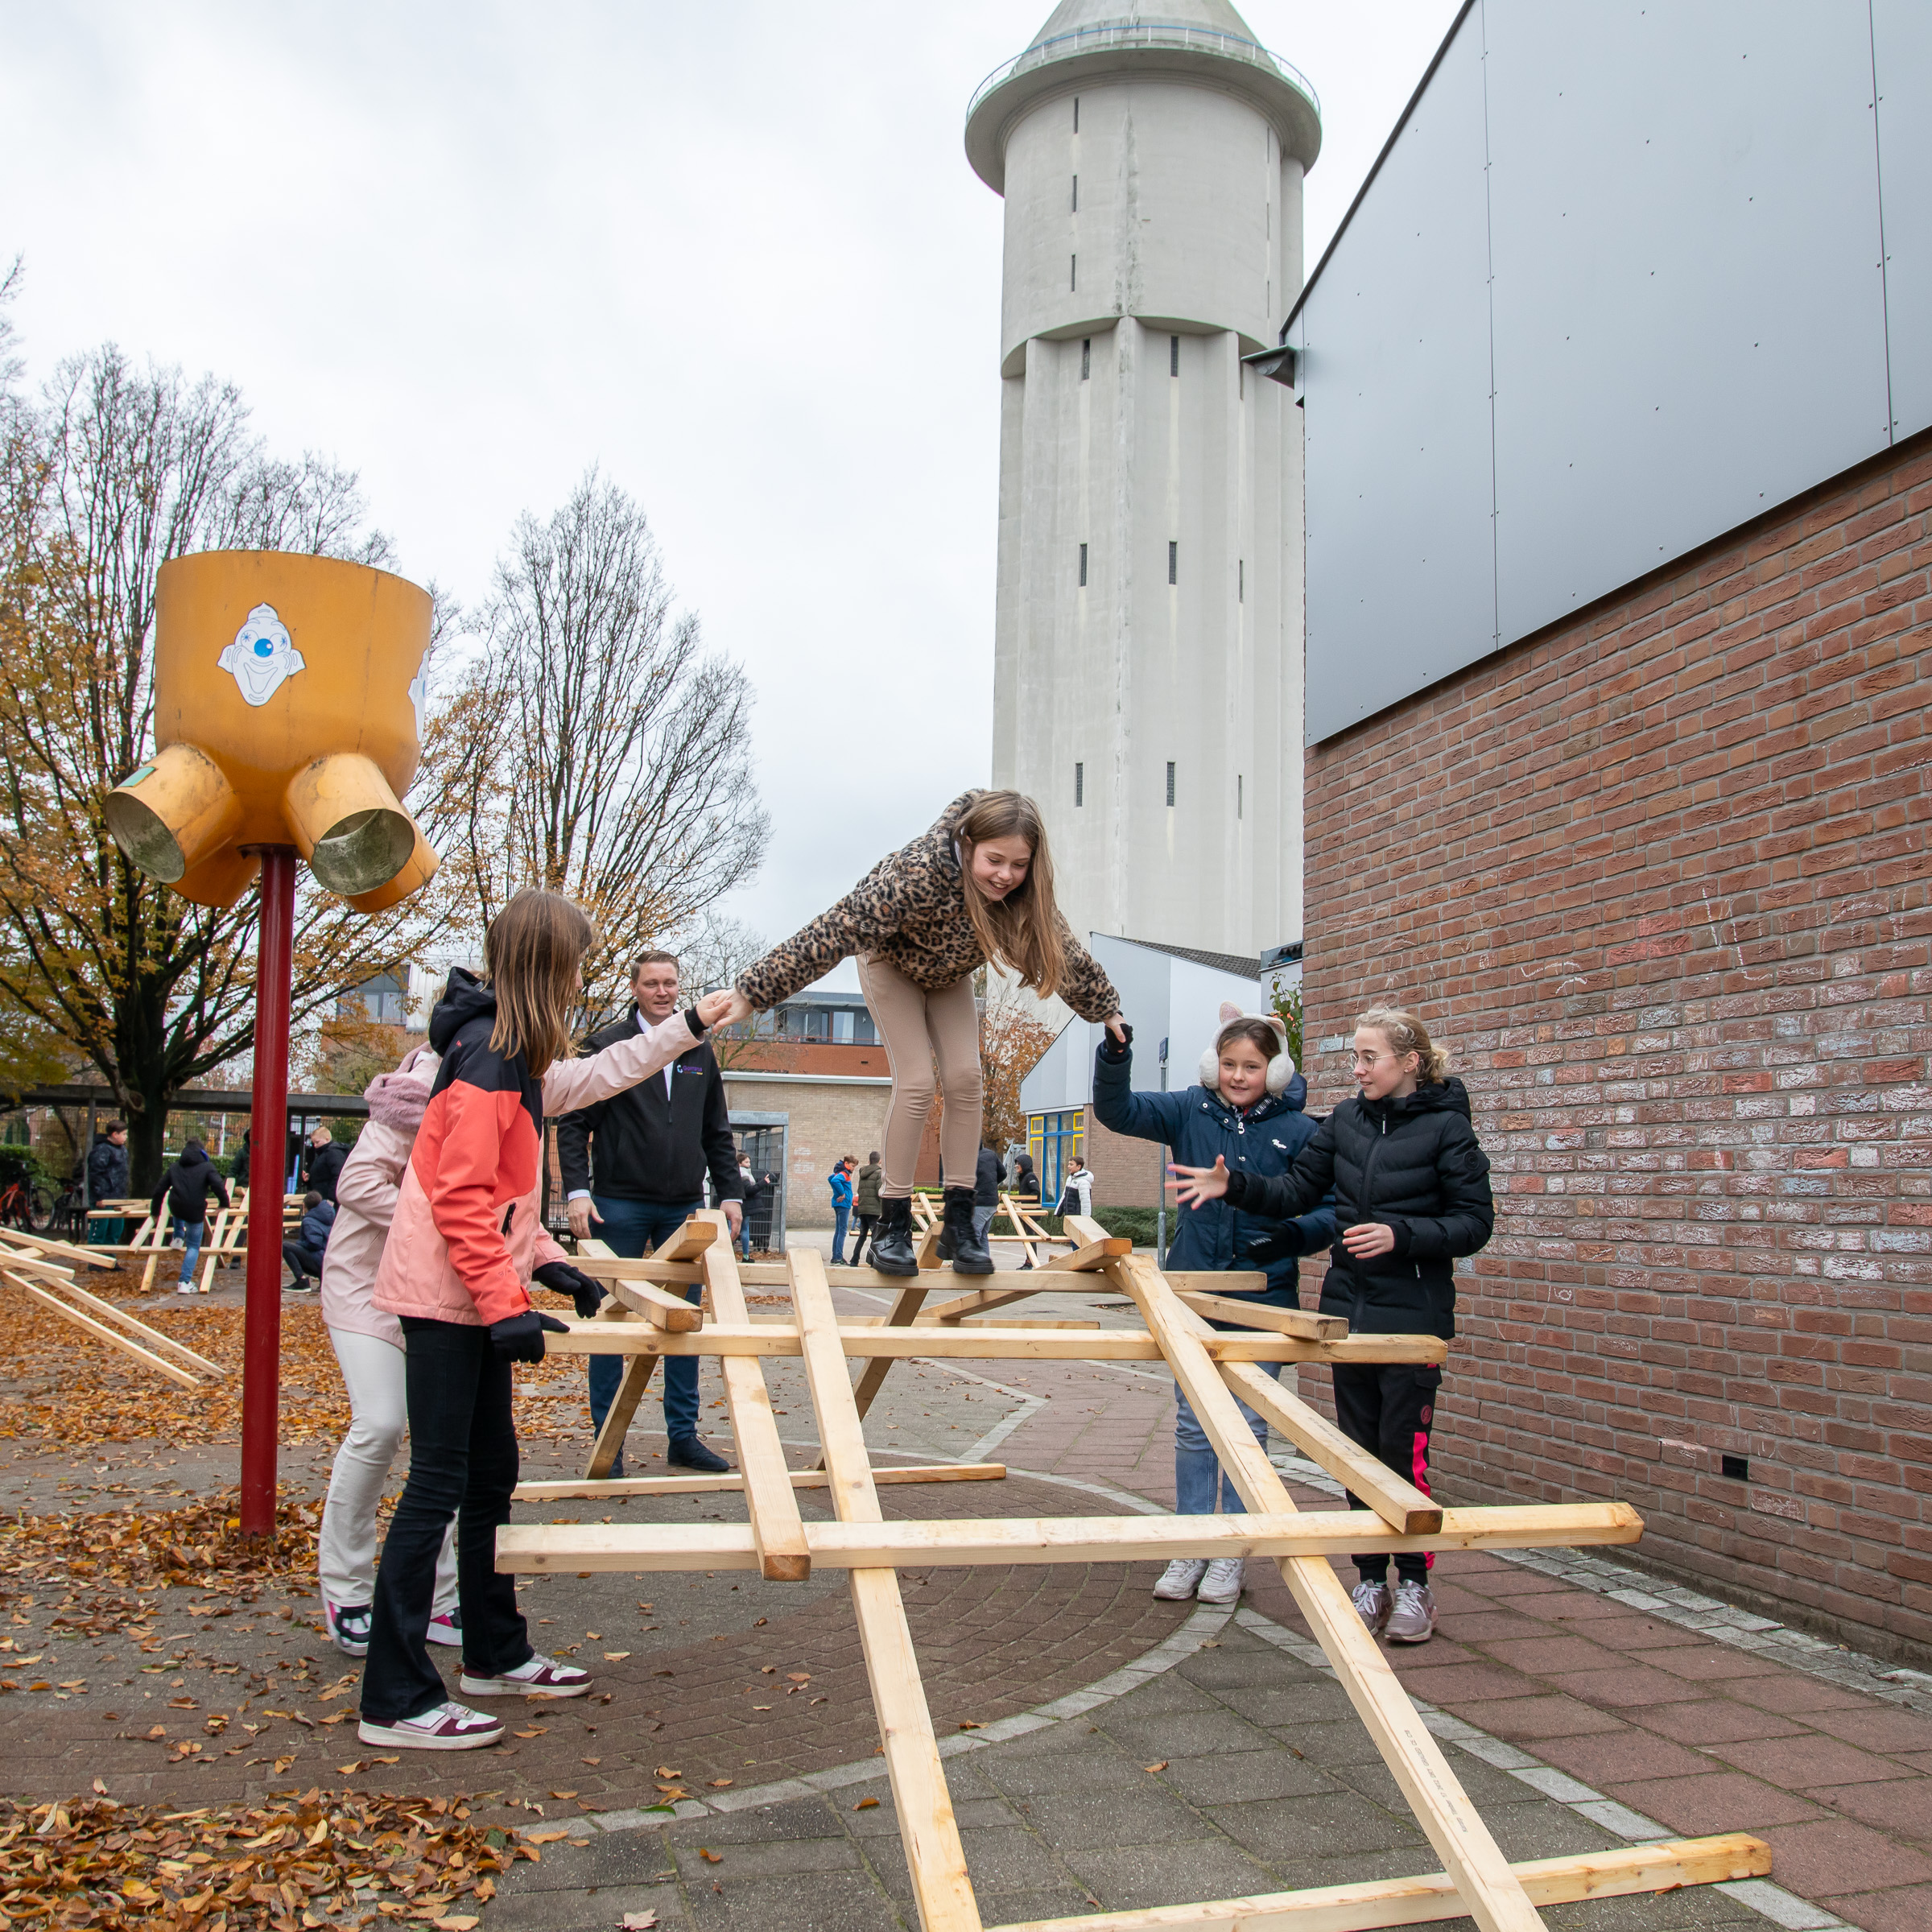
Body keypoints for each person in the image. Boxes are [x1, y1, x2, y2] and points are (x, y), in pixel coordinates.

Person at [357, 891, 736, 1752]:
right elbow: (456, 1200)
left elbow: (530, 1155)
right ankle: (395, 1697)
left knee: (491, 1477)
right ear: (549, 966)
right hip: (444, 1300)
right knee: (437, 1487)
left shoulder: (513, 1056)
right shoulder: (491, 1059)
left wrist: (545, 1263)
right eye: (575, 964)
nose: (581, 978)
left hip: (471, 1291)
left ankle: (493, 1651)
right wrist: (504, 1307)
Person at [1171, 1005, 1492, 1646]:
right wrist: (1232, 1186)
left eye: (1368, 1057)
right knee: (1353, 1456)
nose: (1357, 1068)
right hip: (1349, 1316)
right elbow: (1293, 1190)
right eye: (1355, 1057)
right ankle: (1370, 1577)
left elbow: (1474, 1223)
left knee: (1402, 1457)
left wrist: (1402, 1235)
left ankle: (1417, 1587)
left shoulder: (1448, 1132)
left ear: (1409, 1063)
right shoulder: (1345, 1122)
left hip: (1413, 1320)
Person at [723, 791, 1125, 1278]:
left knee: (967, 1079)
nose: (1004, 876)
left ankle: (960, 1222)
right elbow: (833, 930)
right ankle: (891, 1227)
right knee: (916, 1082)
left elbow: (1060, 948)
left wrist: (1106, 1010)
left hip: (948, 977)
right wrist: (753, 991)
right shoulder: (917, 874)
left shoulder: (1022, 896)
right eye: (994, 861)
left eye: (1019, 865)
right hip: (888, 964)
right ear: (968, 843)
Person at [1093, 1007, 1335, 1604]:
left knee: (1249, 1429)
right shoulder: (1187, 1109)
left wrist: (1292, 1237)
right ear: (1212, 1064)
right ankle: (1193, 1542)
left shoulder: (1303, 1132)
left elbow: (1330, 1210)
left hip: (1267, 1296)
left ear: (1275, 1070)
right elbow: (1117, 1112)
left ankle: (1234, 1551)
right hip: (1193, 1296)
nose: (1237, 1075)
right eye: (1228, 1063)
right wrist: (1116, 1057)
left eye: (1251, 1066)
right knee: (1194, 1426)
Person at [555, 950, 745, 1478]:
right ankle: (608, 1443)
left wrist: (729, 1194)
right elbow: (572, 1123)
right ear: (635, 988)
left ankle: (683, 1438)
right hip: (618, 1203)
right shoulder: (607, 1045)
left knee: (685, 1324)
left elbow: (716, 1130)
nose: (663, 992)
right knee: (612, 1324)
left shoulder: (699, 1051)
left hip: (683, 1206)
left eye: (671, 983)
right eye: (652, 984)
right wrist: (576, 1191)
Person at [317, 1044, 460, 1657]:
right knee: (379, 1424)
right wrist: (435, 1220)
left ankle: (441, 1598)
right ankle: (346, 1588)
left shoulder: (512, 1079)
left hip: (432, 1293)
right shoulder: (419, 1089)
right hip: (364, 1289)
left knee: (443, 1441)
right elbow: (355, 1183)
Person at [149, 1138, 229, 1294]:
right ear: (203, 1152)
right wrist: (224, 1203)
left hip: (177, 1206)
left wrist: (155, 1212)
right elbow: (218, 1186)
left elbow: (159, 1190)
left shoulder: (175, 1167)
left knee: (178, 1207)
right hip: (195, 1209)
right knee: (193, 1246)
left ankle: (178, 1236)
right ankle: (184, 1282)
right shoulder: (207, 1167)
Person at [283, 1188, 336, 1293]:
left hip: (319, 1261)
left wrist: (300, 1244)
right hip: (329, 1260)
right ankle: (324, 1280)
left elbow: (315, 1243)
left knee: (286, 1247)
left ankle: (301, 1281)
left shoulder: (309, 1220)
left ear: (307, 1206)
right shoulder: (330, 1216)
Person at [86, 1120, 129, 1245]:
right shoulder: (101, 1150)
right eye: (124, 1134)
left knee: (115, 1231)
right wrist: (99, 1197)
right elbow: (96, 1175)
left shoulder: (123, 1150)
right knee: (100, 1231)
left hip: (119, 1197)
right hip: (104, 1198)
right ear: (115, 1134)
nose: (126, 1137)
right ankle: (95, 1262)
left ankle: (110, 1260)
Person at [850, 1150, 883, 1265]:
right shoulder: (879, 1173)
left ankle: (854, 1260)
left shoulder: (863, 1173)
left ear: (869, 1161)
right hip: (873, 1210)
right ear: (880, 1161)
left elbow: (860, 1190)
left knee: (862, 1235)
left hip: (862, 1208)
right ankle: (873, 1260)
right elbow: (880, 1192)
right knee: (875, 1235)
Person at [973, 1142, 1005, 1253]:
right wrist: (991, 1185)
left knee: (975, 1235)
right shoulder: (991, 1155)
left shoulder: (971, 1158)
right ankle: (985, 1262)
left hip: (980, 1202)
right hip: (992, 1202)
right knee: (983, 1236)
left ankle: (974, 1263)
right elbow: (1003, 1173)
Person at [303, 1126, 348, 1203]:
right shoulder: (324, 1154)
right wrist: (308, 1181)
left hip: (328, 1200)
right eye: (313, 1143)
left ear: (327, 1139)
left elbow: (339, 1175)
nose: (315, 1146)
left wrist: (331, 1199)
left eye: (317, 1142)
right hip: (324, 1198)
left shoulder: (332, 1153)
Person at [828, 1156, 855, 1265]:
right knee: (842, 1231)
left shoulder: (839, 1173)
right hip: (843, 1204)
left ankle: (835, 1256)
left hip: (838, 1204)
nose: (853, 1169)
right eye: (852, 1166)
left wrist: (837, 1192)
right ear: (847, 1164)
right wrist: (842, 1193)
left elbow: (830, 1178)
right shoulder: (844, 1174)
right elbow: (834, 1180)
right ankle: (838, 1257)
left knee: (838, 1231)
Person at [735, 1156, 760, 1259]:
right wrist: (762, 1184)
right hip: (744, 1204)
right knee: (744, 1229)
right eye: (746, 1162)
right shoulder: (744, 1173)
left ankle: (727, 1253)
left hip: (735, 1201)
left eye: (749, 1162)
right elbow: (748, 1189)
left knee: (730, 1228)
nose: (749, 1164)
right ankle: (745, 1256)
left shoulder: (735, 1172)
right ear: (740, 1163)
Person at [1057, 1156, 1094, 1220]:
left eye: (1071, 1165)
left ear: (1078, 1167)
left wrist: (1086, 1219)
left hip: (1078, 1218)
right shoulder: (1070, 1178)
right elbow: (1064, 1196)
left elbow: (1085, 1203)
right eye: (1069, 1164)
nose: (1068, 1166)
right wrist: (1058, 1211)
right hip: (1069, 1215)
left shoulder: (1083, 1182)